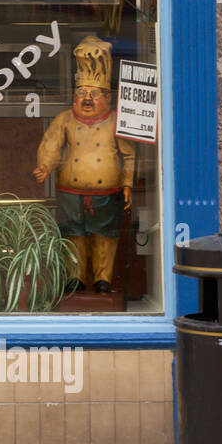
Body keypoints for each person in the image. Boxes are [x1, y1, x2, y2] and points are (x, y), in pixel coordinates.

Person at [33, 35, 135, 294]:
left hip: (107, 193)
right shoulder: (65, 119)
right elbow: (51, 145)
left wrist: (127, 183)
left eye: (94, 94)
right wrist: (45, 166)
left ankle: (104, 280)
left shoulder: (115, 121)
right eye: (81, 93)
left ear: (108, 98)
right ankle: (75, 278)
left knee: (105, 238)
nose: (87, 99)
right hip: (71, 193)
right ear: (74, 97)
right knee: (73, 236)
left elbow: (129, 155)